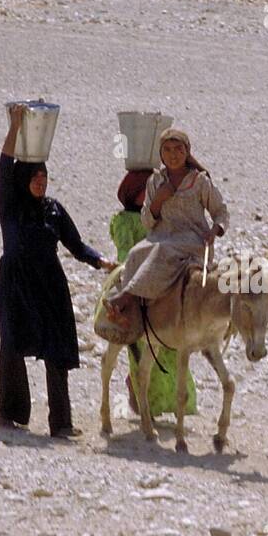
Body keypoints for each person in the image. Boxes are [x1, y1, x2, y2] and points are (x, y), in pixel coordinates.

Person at [0, 104, 115, 438]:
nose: (39, 182)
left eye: (44, 177)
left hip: (49, 285)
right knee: (12, 346)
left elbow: (76, 246)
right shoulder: (10, 202)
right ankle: (11, 414)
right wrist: (16, 126)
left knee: (58, 350)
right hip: (16, 284)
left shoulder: (53, 209)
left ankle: (61, 423)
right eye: (34, 177)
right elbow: (4, 169)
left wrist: (101, 261)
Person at [105, 129, 228, 326]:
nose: (173, 155)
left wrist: (215, 231)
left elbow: (220, 211)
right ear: (160, 154)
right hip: (160, 237)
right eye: (167, 150)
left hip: (194, 241)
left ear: (187, 151)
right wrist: (159, 200)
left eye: (178, 149)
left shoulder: (199, 181)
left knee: (163, 249)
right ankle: (132, 316)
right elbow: (147, 222)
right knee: (136, 252)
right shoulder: (155, 181)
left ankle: (125, 298)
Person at [104, 168, 197, 418]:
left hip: (162, 282)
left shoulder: (164, 218)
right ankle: (144, 400)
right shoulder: (124, 221)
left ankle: (174, 403)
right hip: (136, 282)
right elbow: (126, 253)